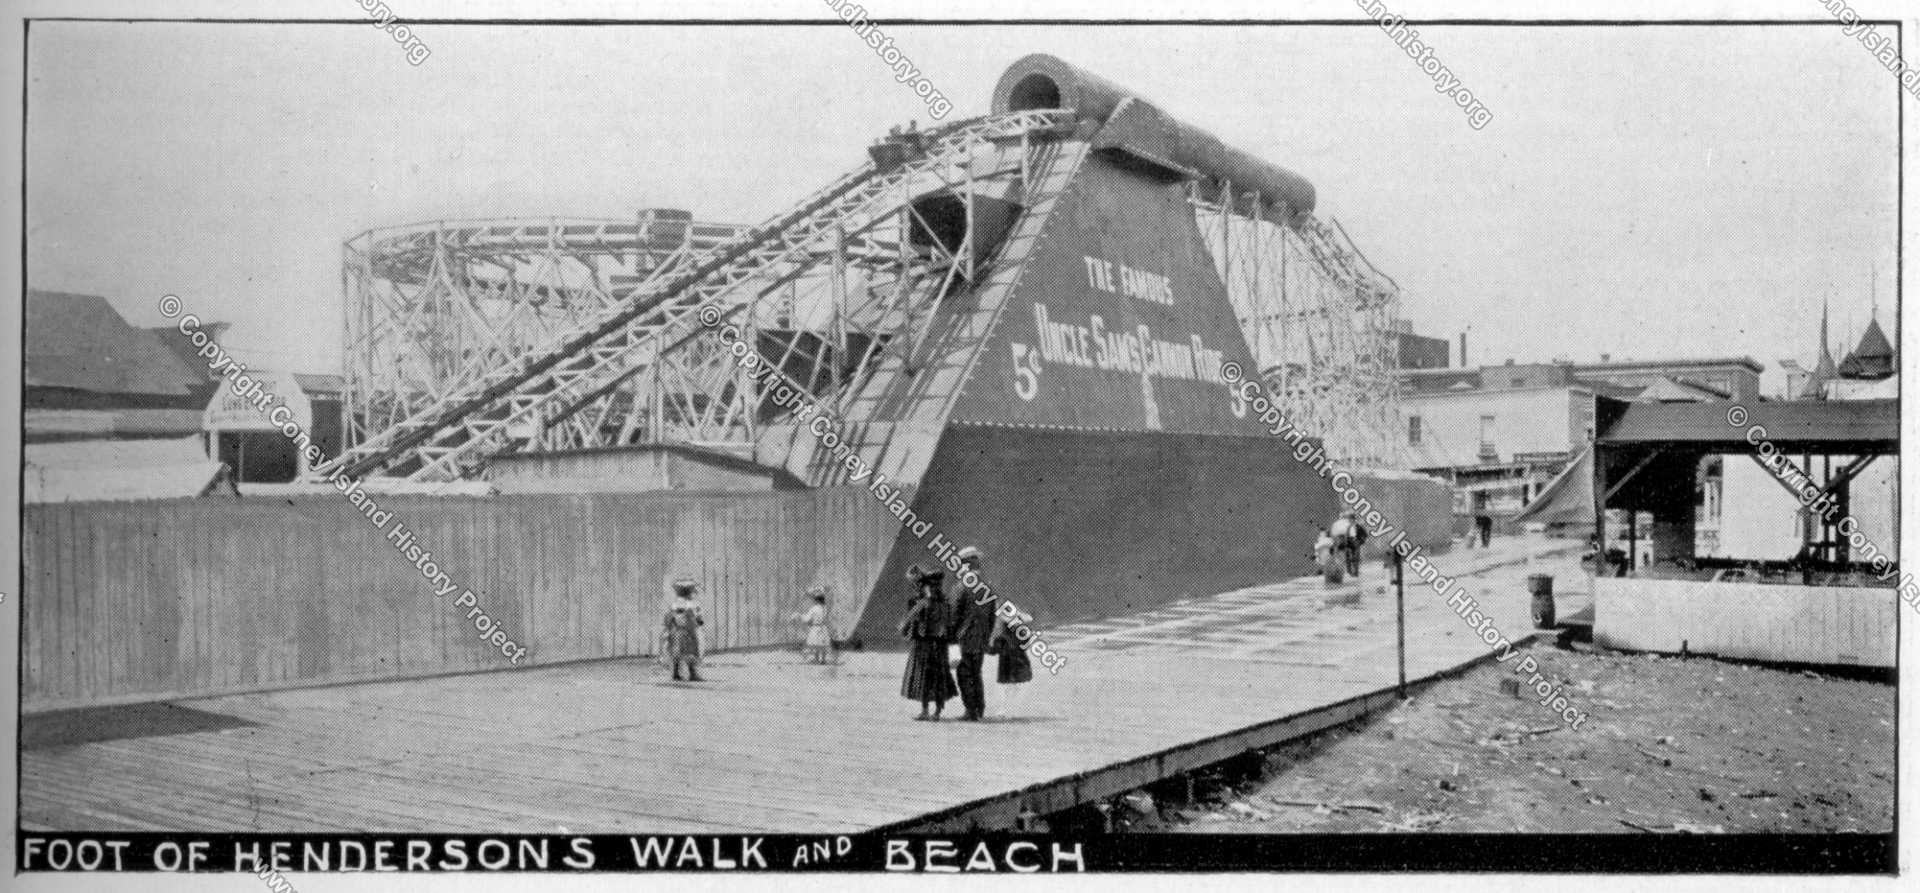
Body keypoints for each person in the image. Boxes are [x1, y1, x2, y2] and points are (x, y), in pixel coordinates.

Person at [899, 565, 958, 720]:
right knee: (937, 678)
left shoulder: (922, 603)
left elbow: (905, 626)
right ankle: (936, 712)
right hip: (938, 647)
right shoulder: (944, 604)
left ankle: (927, 711)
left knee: (925, 678)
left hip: (924, 646)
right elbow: (950, 628)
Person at [948, 545, 997, 721]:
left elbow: (953, 616)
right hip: (980, 640)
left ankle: (970, 711)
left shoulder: (960, 587)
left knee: (964, 675)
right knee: (976, 674)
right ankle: (979, 709)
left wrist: (950, 639)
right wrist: (986, 637)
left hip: (964, 640)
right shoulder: (987, 588)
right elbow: (992, 617)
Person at [662, 578, 705, 682]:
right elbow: (699, 621)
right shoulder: (693, 605)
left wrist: (668, 630)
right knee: (691, 653)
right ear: (689, 592)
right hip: (689, 633)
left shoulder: (674, 605)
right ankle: (693, 674)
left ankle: (675, 674)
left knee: (677, 653)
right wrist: (698, 621)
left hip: (676, 632)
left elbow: (668, 620)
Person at [797, 585, 834, 664]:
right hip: (823, 628)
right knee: (823, 643)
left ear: (816, 599)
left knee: (815, 644)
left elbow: (807, 619)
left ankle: (817, 659)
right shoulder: (825, 608)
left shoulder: (814, 608)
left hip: (816, 628)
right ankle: (823, 659)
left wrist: (799, 615)